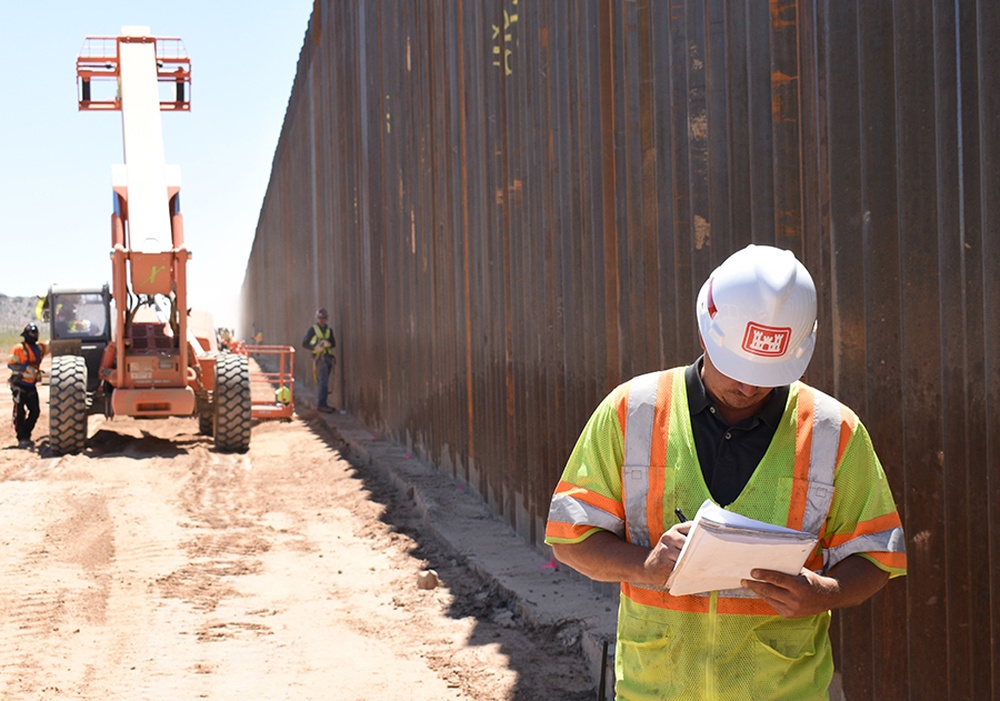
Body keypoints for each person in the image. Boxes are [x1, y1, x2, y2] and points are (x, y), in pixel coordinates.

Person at [545, 244, 906, 700]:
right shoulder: (631, 411)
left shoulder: (834, 431)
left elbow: (877, 555)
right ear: (705, 333)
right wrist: (647, 567)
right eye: (736, 366)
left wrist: (824, 592)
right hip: (656, 688)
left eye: (769, 371)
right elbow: (570, 537)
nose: (749, 385)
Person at [8, 323, 48, 449]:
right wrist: (25, 368)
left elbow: (51, 345)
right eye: (31, 333)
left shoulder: (39, 348)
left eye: (35, 333)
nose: (34, 335)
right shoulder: (18, 348)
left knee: (35, 411)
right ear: (25, 334)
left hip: (31, 385)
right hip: (19, 385)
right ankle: (22, 438)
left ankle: (26, 433)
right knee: (20, 412)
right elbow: (11, 364)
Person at [302, 307, 336, 412]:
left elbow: (334, 344)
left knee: (324, 382)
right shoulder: (313, 329)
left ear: (326, 319)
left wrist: (328, 344)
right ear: (317, 318)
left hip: (328, 358)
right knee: (323, 382)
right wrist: (315, 348)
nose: (322, 320)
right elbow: (304, 343)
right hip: (319, 358)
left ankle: (324, 403)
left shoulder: (329, 330)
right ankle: (321, 405)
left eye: (324, 318)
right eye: (320, 318)